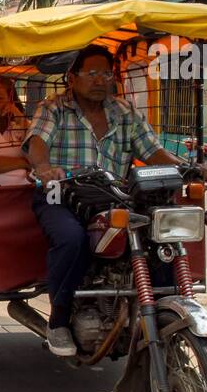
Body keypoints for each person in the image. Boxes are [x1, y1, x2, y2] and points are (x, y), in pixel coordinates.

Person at [24, 45, 194, 357]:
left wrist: (185, 168)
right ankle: (58, 320)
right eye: (92, 73)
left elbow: (153, 151)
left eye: (106, 73)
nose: (100, 80)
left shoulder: (124, 112)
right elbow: (37, 143)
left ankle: (164, 319)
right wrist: (44, 168)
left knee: (159, 237)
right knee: (71, 239)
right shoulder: (54, 108)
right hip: (61, 194)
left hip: (114, 197)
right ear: (72, 78)